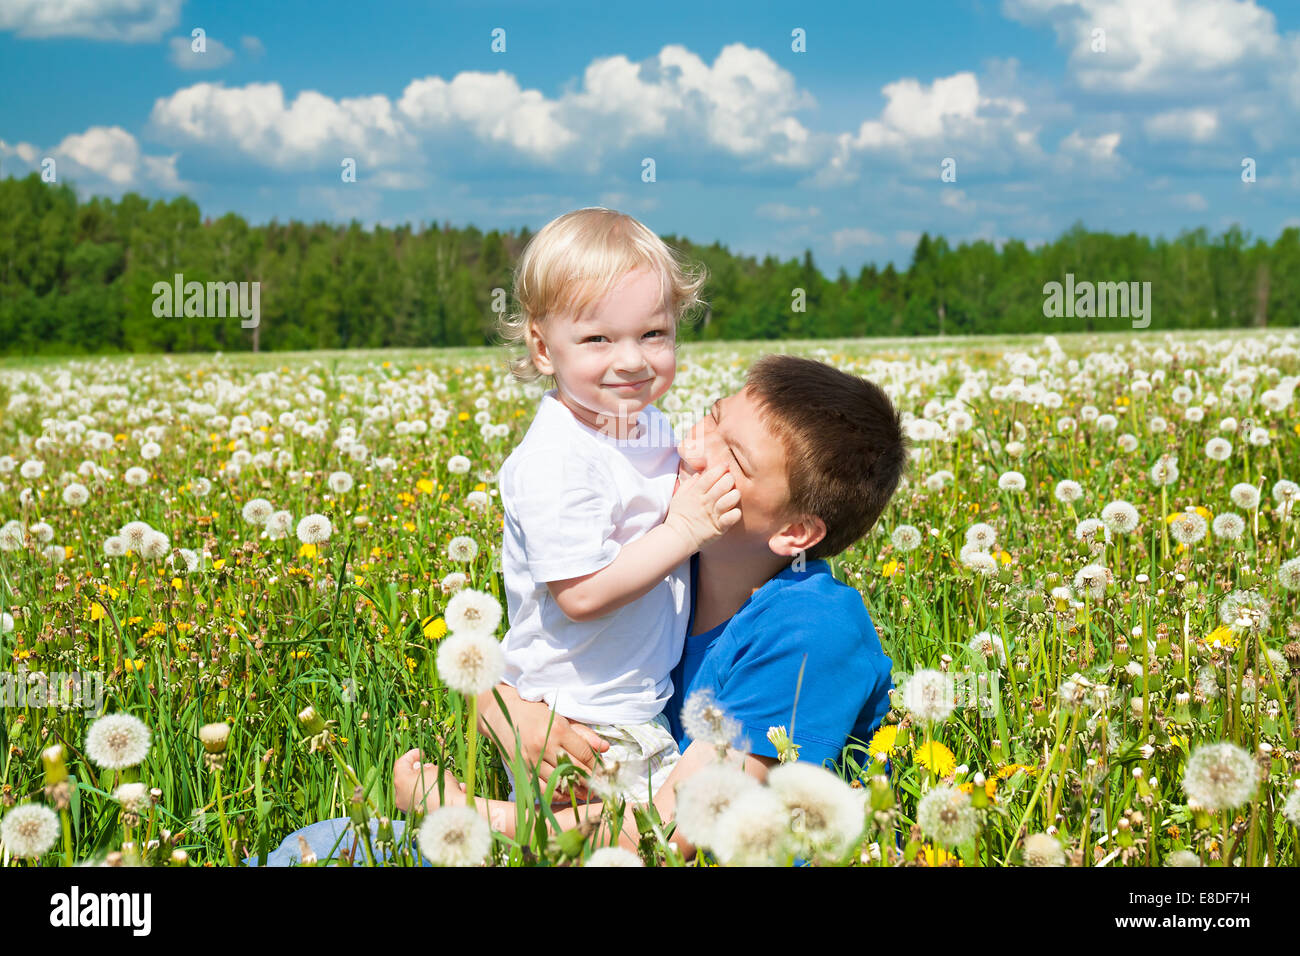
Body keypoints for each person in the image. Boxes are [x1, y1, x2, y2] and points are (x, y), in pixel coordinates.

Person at [393, 354, 909, 859]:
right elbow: (529, 658)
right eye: (711, 414)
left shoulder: (810, 631)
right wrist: (510, 716)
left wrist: (467, 815)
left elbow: (670, 835)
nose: (689, 446)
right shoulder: (662, 561)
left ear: (795, 532)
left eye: (736, 461)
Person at [490, 207, 740, 801]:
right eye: (598, 338)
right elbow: (580, 595)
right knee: (630, 843)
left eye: (653, 334)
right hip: (578, 720)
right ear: (544, 348)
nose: (631, 360)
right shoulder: (557, 457)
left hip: (634, 701)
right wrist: (684, 529)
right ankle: (460, 814)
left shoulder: (642, 423)